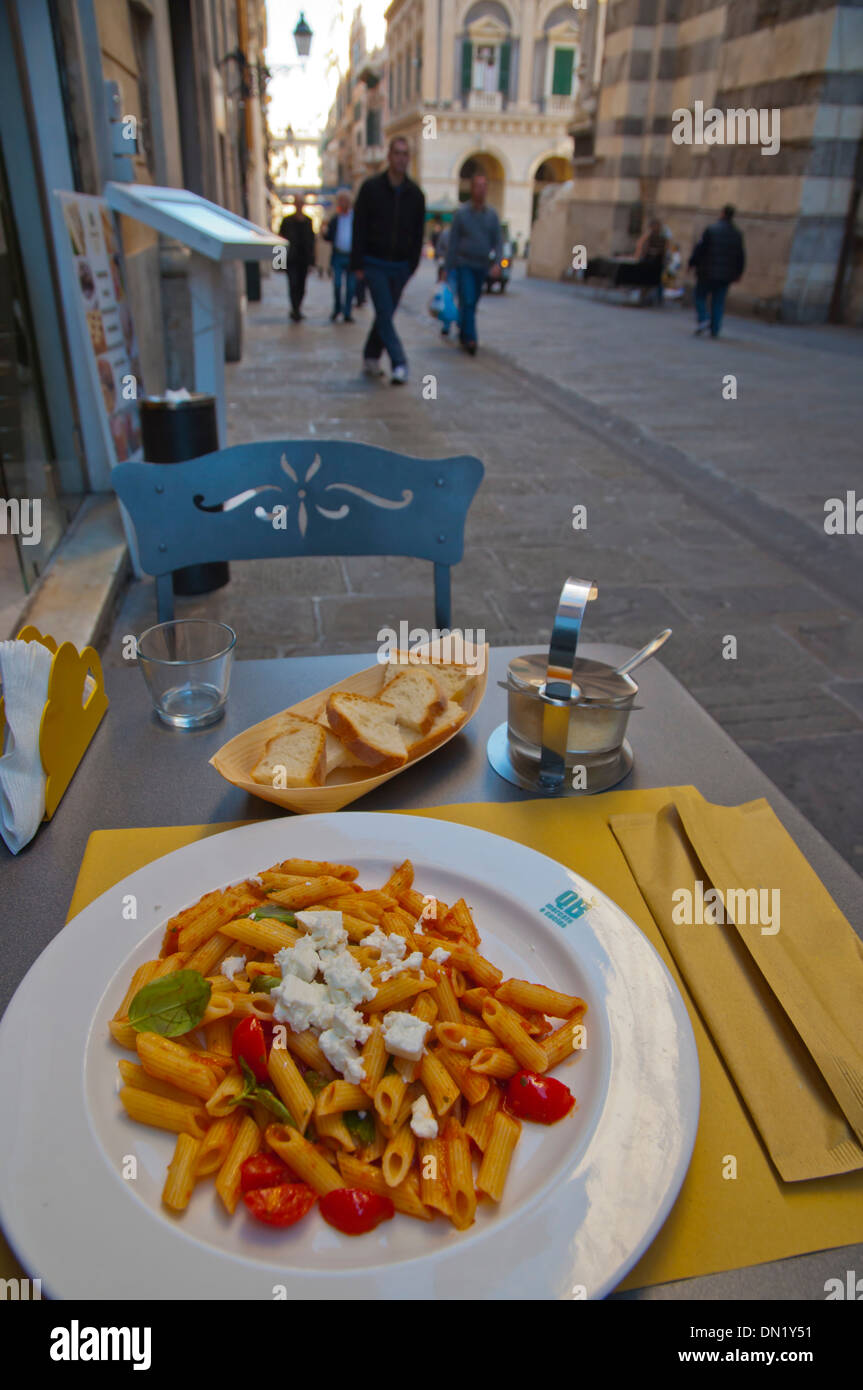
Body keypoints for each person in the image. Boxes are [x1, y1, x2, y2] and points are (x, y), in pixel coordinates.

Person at [350, 135, 426, 384]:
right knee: (384, 310)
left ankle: (371, 356)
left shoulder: (416, 195)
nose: (401, 159)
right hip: (374, 262)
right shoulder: (371, 189)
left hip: (401, 266)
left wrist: (412, 265)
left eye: (406, 154)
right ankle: (399, 362)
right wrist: (358, 262)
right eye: (397, 153)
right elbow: (359, 227)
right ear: (389, 156)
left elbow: (418, 233)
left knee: (386, 314)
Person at [444, 173, 502, 355]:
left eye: (484, 186)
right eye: (478, 185)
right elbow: (453, 243)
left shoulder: (492, 215)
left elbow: (498, 241)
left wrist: (497, 263)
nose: (481, 189)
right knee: (468, 299)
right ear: (472, 189)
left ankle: (463, 331)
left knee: (471, 302)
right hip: (464, 263)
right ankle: (471, 339)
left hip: (482, 265)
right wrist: (448, 268)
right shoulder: (462, 214)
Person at [689, 204, 745, 338]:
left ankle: (703, 318)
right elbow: (740, 255)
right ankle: (715, 328)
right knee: (718, 301)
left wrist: (692, 263)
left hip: (707, 272)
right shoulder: (737, 234)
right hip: (725, 274)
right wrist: (738, 272)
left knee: (700, 296)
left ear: (723, 213)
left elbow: (700, 249)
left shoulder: (711, 230)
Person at [278, 195, 316, 322]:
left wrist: (312, 261)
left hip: (303, 259)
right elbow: (280, 240)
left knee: (301, 285)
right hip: (291, 258)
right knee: (293, 284)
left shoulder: (308, 221)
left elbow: (311, 242)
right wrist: (279, 262)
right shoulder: (287, 221)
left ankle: (298, 308)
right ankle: (295, 309)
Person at [324, 190, 356, 323]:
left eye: (345, 201)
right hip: (338, 255)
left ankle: (347, 312)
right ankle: (337, 308)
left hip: (352, 256)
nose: (342, 203)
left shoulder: (355, 218)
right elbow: (328, 237)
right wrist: (323, 231)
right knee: (337, 284)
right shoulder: (335, 219)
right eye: (340, 201)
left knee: (350, 287)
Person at [635, 218, 668, 304]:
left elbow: (664, 249)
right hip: (649, 261)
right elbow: (642, 245)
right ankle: (645, 298)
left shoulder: (663, 236)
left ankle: (654, 299)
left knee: (655, 281)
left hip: (657, 262)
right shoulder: (649, 236)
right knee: (646, 281)